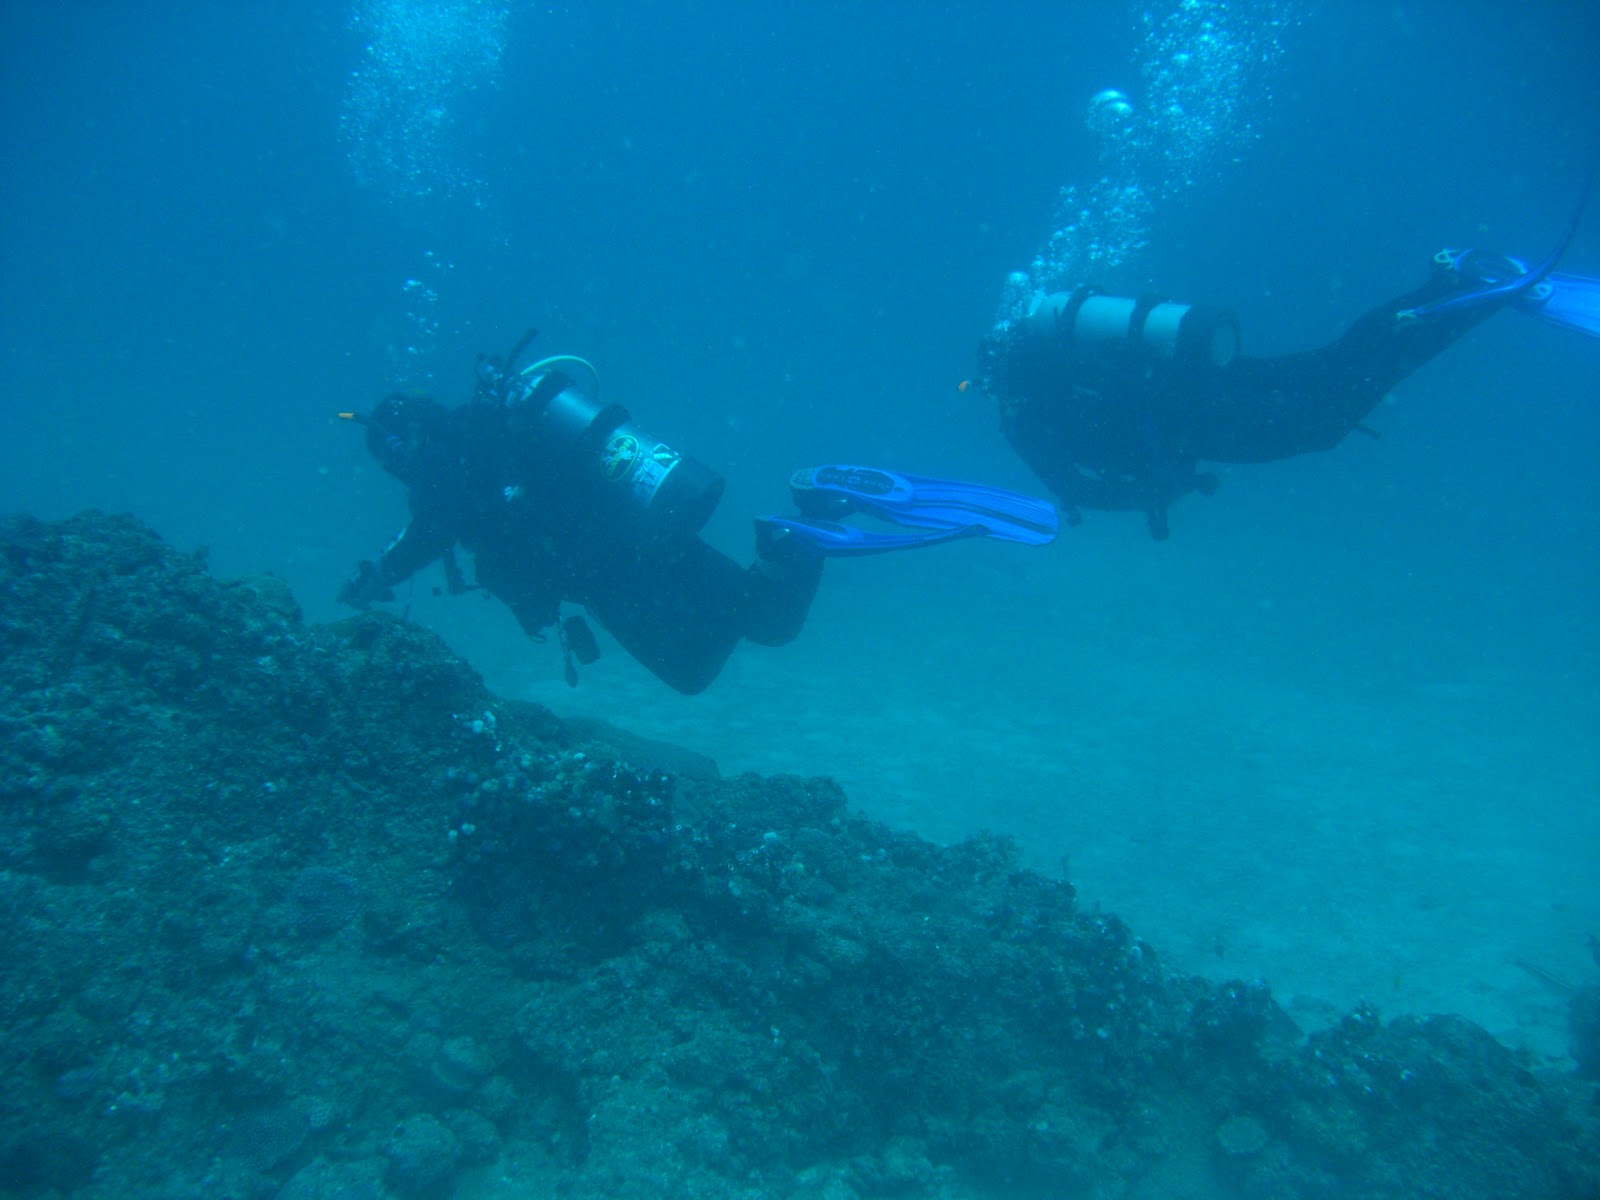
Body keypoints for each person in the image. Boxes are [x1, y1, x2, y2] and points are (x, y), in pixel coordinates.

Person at [340, 336, 1059, 693]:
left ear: (403, 449)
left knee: (696, 666)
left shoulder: (445, 475)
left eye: (391, 459)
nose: (398, 471)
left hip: (609, 566)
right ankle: (802, 524)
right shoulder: (492, 429)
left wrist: (379, 574)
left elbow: (423, 535)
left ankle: (799, 528)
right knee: (763, 624)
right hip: (643, 534)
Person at [982, 224, 1600, 540]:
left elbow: (1081, 490)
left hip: (1201, 418)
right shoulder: (1064, 370)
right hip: (1204, 379)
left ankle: (1469, 293)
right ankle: (1453, 284)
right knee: (1337, 364)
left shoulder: (1026, 415)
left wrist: (1165, 491)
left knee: (1330, 413)